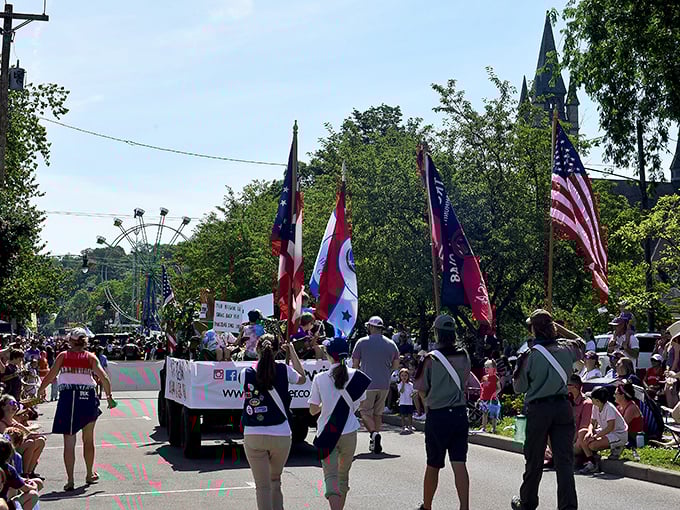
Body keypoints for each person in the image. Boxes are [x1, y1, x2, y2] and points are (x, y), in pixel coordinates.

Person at [511, 309, 583, 510]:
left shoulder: (529, 354)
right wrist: (559, 328)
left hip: (539, 409)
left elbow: (519, 387)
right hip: (562, 407)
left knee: (534, 459)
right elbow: (581, 342)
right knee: (565, 461)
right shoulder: (567, 348)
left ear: (534, 329)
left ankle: (528, 502)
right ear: (553, 327)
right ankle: (568, 506)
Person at [36, 328, 115, 491]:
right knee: (88, 440)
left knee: (69, 442)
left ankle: (70, 479)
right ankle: (89, 474)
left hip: (68, 398)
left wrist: (41, 389)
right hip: (88, 397)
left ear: (70, 341)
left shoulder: (63, 356)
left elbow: (51, 375)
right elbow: (104, 378)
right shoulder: (91, 357)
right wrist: (109, 397)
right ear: (85, 341)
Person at [241, 334, 305, 510]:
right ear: (277, 350)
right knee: (275, 480)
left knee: (262, 487)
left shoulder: (245, 373)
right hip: (281, 434)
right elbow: (302, 377)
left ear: (257, 349)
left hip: (253, 433)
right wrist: (292, 353)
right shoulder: (285, 371)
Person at [414, 314, 471, 510]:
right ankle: (464, 506)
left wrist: (427, 403)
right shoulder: (464, 355)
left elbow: (421, 388)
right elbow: (464, 380)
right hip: (459, 413)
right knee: (459, 462)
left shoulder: (430, 359)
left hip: (438, 415)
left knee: (433, 463)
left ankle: (427, 506)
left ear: (437, 333)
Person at [308, 337, 371, 510]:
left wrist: (326, 405)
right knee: (343, 477)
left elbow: (313, 410)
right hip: (350, 432)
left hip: (328, 432)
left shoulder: (320, 378)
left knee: (331, 477)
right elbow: (362, 403)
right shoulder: (357, 376)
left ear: (328, 355)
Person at [351, 316, 399, 454]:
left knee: (365, 412)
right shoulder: (391, 344)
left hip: (367, 383)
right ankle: (375, 440)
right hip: (384, 384)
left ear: (371, 327)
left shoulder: (361, 342)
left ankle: (373, 434)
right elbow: (395, 366)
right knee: (378, 413)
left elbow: (355, 365)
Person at [577, 386, 628, 474]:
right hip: (605, 431)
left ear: (597, 400)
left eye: (592, 398)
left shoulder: (609, 408)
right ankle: (592, 462)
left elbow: (610, 427)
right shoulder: (595, 406)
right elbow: (592, 423)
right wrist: (590, 432)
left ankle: (618, 447)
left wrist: (596, 436)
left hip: (618, 434)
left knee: (592, 445)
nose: (591, 399)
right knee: (582, 434)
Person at [0, 396, 45, 478]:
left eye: (16, 403)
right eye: (12, 403)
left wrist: (35, 435)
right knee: (30, 443)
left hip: (17, 446)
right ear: (3, 407)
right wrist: (26, 436)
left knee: (40, 441)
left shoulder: (13, 420)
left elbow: (27, 433)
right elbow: (8, 441)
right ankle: (24, 474)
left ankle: (30, 472)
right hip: (10, 451)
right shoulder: (1, 423)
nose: (15, 406)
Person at [0, 437, 39, 510]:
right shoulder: (8, 469)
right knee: (33, 494)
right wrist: (34, 486)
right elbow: (25, 489)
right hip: (4, 504)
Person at [567, 375, 593, 467]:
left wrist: (571, 442)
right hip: (565, 436)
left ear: (575, 387)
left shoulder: (586, 403)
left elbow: (584, 427)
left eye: (568, 385)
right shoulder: (565, 401)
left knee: (581, 436)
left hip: (577, 439)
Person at [614, 381, 643, 456]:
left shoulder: (631, 408)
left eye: (616, 394)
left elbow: (622, 426)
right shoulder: (619, 407)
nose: (614, 396)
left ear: (622, 395)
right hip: (624, 435)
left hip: (633, 438)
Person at [479, 359, 499, 433]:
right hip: (484, 398)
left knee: (493, 414)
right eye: (485, 367)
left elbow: (499, 388)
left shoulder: (496, 378)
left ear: (493, 368)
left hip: (492, 398)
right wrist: (480, 397)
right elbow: (482, 388)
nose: (486, 369)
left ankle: (494, 428)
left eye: (488, 367)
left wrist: (496, 393)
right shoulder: (484, 377)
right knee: (484, 413)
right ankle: (483, 427)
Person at [397, 368, 415, 434]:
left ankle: (410, 426)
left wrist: (413, 394)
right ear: (400, 377)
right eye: (402, 375)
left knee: (410, 415)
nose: (404, 377)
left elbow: (413, 392)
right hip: (402, 402)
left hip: (409, 402)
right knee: (403, 415)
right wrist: (403, 384)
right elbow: (401, 391)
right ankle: (403, 427)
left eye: (405, 375)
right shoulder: (400, 385)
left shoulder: (411, 385)